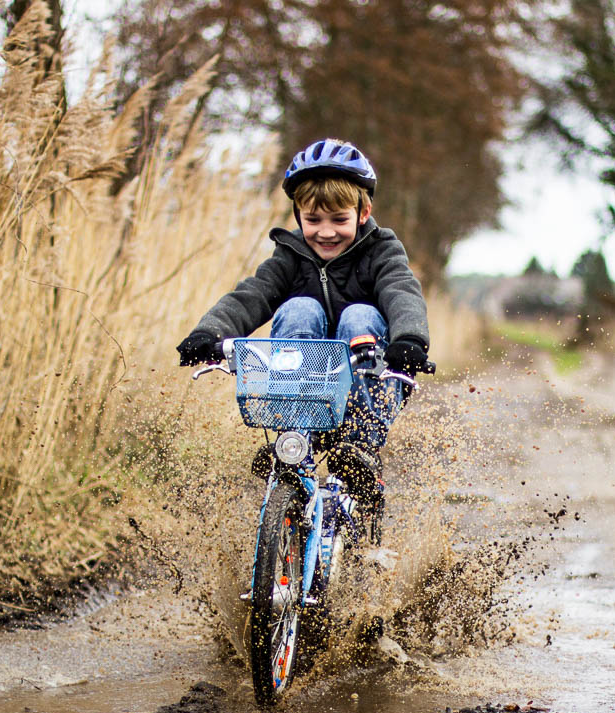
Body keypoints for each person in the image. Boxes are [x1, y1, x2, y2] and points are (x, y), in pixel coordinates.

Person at [176, 138, 430, 512]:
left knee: (358, 315)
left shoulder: (382, 250)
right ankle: (295, 438)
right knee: (298, 308)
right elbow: (253, 294)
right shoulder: (291, 256)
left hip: (370, 378)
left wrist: (409, 340)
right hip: (308, 385)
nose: (325, 232)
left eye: (339, 219)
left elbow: (401, 291)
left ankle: (358, 448)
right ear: (297, 216)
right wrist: (210, 333)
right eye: (313, 220)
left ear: (363, 213)